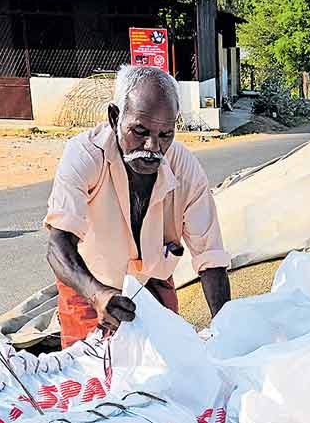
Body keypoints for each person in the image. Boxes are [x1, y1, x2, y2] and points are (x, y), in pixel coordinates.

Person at [46, 65, 231, 347]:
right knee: (90, 379)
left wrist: (226, 332)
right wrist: (98, 295)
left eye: (165, 135)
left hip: (153, 283)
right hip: (89, 285)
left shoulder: (185, 169)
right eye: (139, 131)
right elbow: (58, 244)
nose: (152, 147)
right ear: (114, 117)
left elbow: (211, 257)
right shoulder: (84, 155)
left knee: (165, 370)